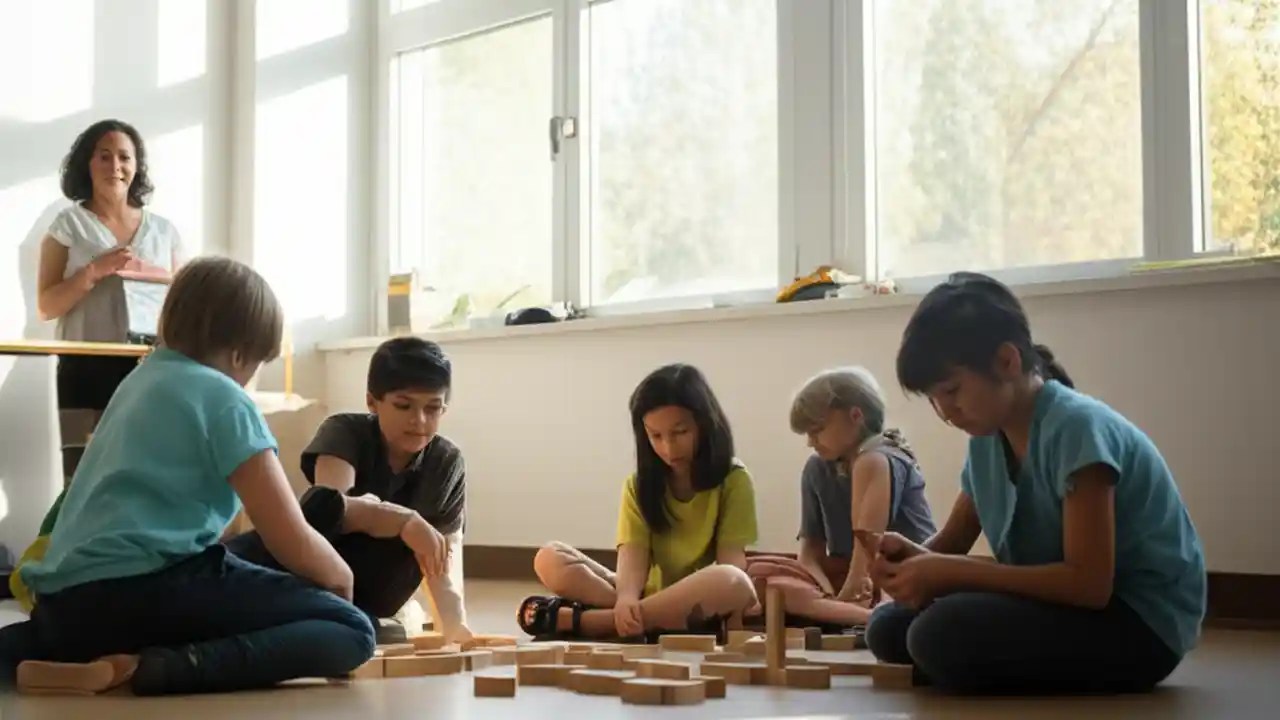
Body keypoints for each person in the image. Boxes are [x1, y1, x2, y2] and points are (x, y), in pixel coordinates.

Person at [0, 257, 374, 696]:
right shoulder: (225, 397)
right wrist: (340, 579)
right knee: (351, 629)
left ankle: (38, 656)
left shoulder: (139, 382)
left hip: (65, 605)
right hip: (147, 593)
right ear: (240, 354)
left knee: (212, 575)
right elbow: (286, 534)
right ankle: (148, 668)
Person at [864, 272, 1206, 694]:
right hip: (1064, 607)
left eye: (952, 390)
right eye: (935, 398)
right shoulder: (988, 438)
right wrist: (908, 561)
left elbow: (1089, 585)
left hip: (1136, 624)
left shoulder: (1078, 429)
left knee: (937, 634)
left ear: (1007, 361)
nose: (945, 411)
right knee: (886, 627)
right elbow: (949, 547)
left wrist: (949, 572)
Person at [225, 337, 472, 643]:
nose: (419, 420)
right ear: (372, 401)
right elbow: (329, 510)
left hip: (364, 603)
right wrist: (403, 521)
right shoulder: (344, 432)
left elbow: (440, 559)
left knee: (360, 632)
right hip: (299, 574)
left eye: (433, 408)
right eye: (403, 405)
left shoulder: (445, 462)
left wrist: (454, 625)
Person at [520, 364, 758, 640]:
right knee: (549, 557)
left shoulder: (734, 480)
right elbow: (632, 556)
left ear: (704, 425)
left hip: (698, 595)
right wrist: (627, 599)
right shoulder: (638, 485)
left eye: (680, 432)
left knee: (733, 580)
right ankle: (640, 618)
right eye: (656, 436)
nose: (668, 448)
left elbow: (732, 562)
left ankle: (589, 623)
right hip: (643, 593)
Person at [747, 367, 937, 628]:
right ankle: (861, 617)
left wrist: (849, 596)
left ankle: (873, 618)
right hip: (844, 577)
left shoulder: (881, 458)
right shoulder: (817, 468)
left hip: (899, 574)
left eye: (818, 429)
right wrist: (826, 594)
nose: (811, 442)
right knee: (761, 575)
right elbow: (810, 555)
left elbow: (867, 553)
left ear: (855, 415)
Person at [37, 118, 185, 410]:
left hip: (151, 370)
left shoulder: (165, 232)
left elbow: (181, 307)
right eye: (104, 157)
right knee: (82, 454)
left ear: (136, 166)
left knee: (142, 453)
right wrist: (94, 272)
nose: (115, 166)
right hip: (82, 370)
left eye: (124, 157)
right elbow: (46, 307)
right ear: (87, 164)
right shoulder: (67, 225)